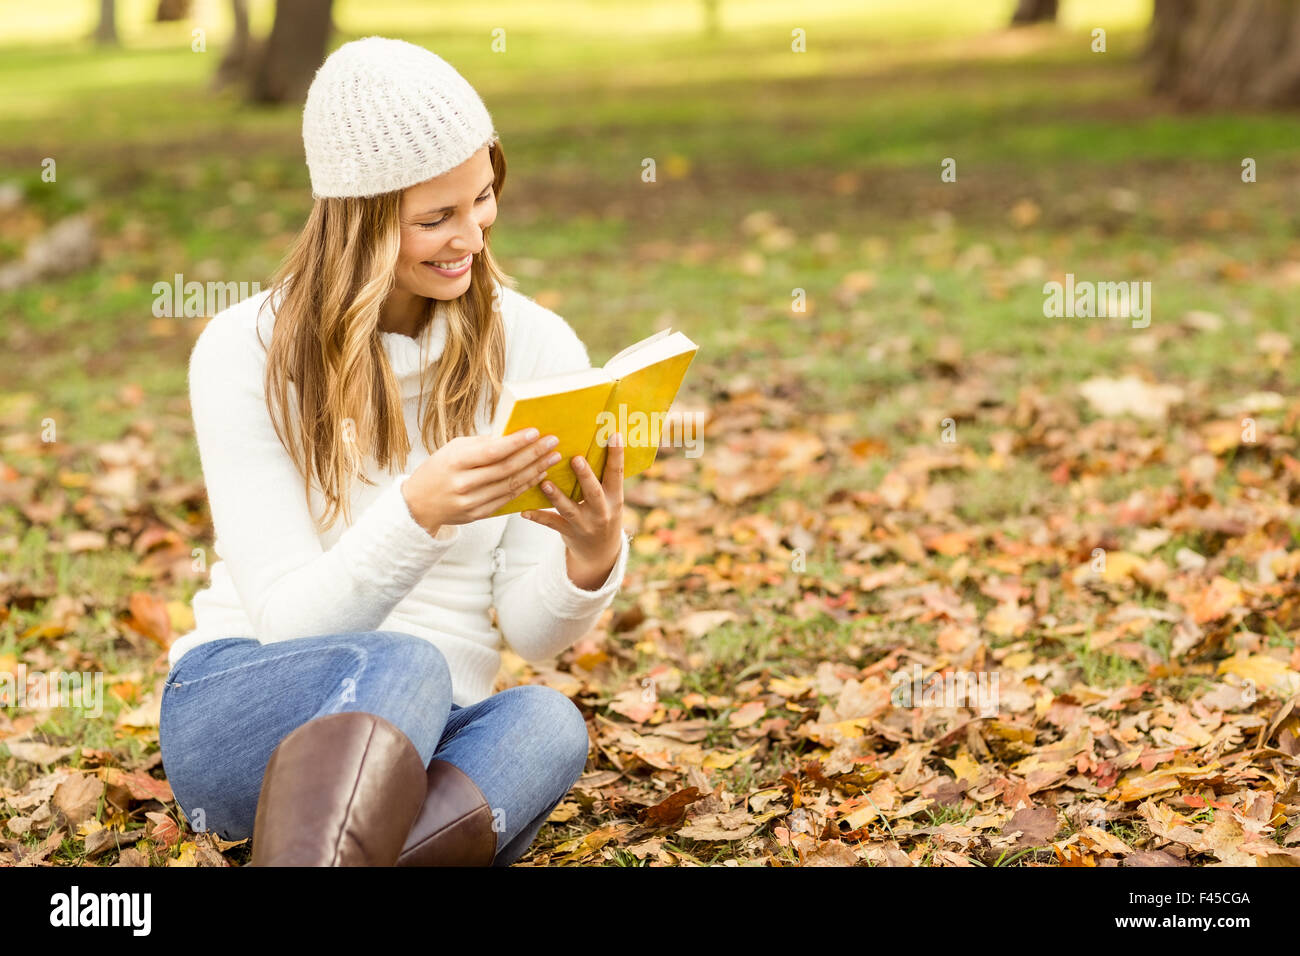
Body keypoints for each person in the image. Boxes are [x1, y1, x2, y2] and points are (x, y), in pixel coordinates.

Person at [158, 36, 632, 867]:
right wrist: (416, 514)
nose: (472, 239)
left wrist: (588, 557)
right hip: (248, 705)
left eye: (483, 199)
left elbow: (530, 631)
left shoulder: (537, 345)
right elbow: (289, 625)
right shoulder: (244, 352)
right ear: (360, 220)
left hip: (432, 727)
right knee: (407, 666)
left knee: (546, 722)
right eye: (435, 219)